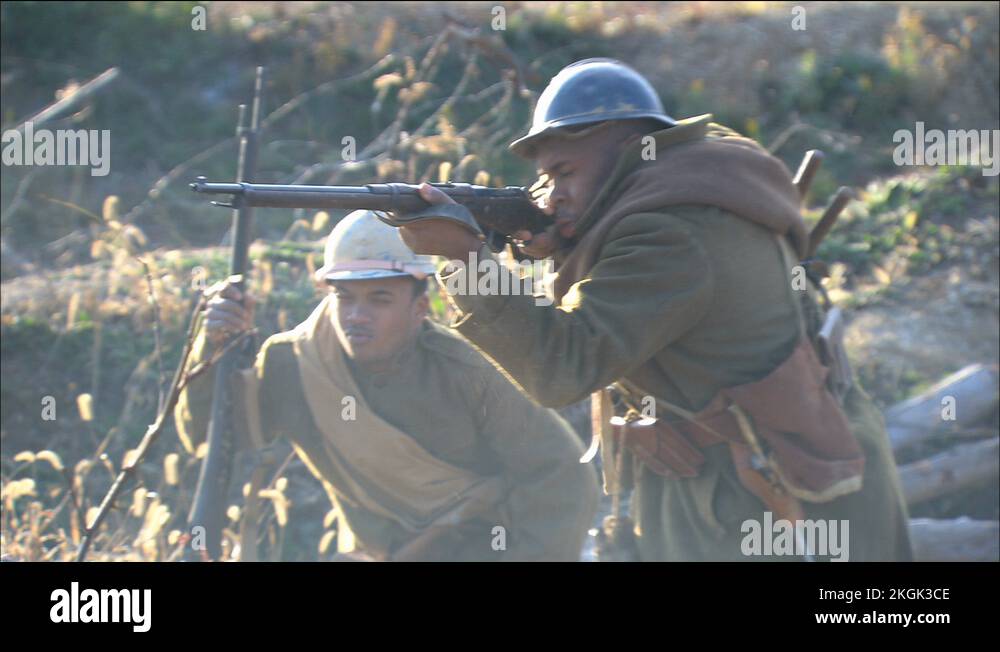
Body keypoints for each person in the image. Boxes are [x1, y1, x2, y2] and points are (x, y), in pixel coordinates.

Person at [398, 58, 913, 561]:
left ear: (629, 145)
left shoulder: (666, 233)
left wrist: (465, 260)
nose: (551, 196)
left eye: (564, 172)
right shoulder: (693, 184)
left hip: (766, 496)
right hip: (746, 475)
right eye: (544, 180)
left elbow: (561, 368)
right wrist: (568, 246)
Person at [174, 210, 599, 561]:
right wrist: (211, 350)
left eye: (379, 299)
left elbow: (563, 476)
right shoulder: (296, 362)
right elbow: (210, 437)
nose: (357, 316)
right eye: (345, 297)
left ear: (419, 308)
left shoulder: (467, 371)